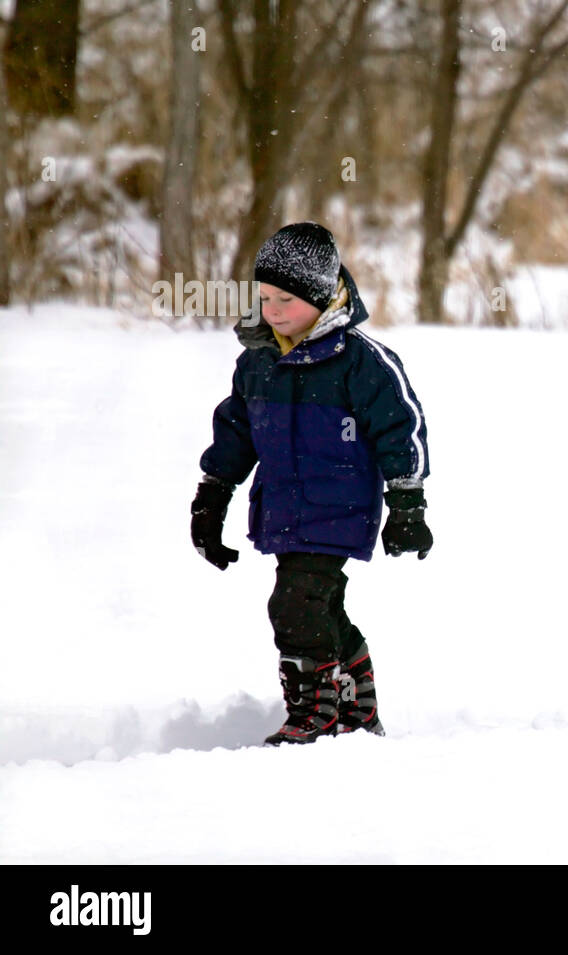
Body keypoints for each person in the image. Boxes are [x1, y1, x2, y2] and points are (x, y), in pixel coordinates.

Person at [190, 222, 432, 745]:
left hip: (338, 508)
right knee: (321, 605)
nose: (273, 309)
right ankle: (356, 701)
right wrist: (211, 499)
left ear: (323, 297)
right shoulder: (258, 361)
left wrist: (407, 504)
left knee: (294, 604)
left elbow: (401, 428)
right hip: (282, 509)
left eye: (287, 299)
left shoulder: (360, 363)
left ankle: (313, 713)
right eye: (265, 297)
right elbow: (236, 431)